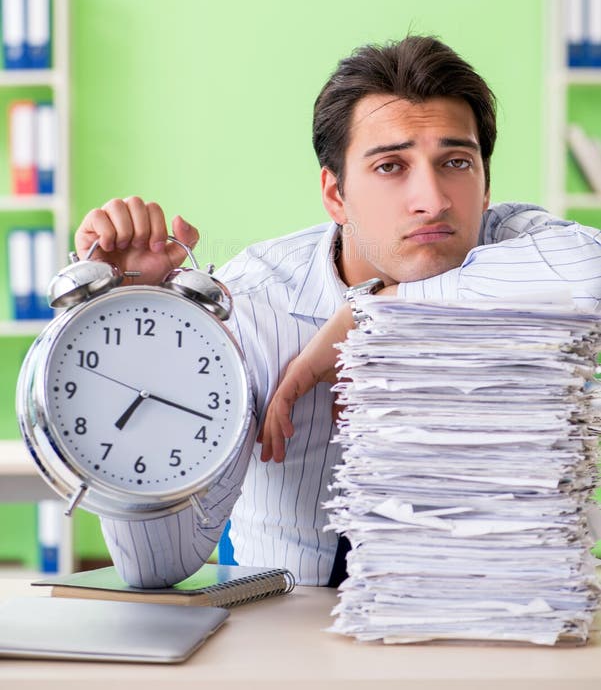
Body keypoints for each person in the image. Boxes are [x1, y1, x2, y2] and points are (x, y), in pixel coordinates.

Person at [75, 35, 601, 588]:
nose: (433, 198)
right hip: (292, 628)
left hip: (491, 620)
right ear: (335, 195)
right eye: (391, 166)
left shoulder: (520, 247)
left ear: (486, 185)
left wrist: (374, 314)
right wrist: (134, 330)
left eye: (455, 162)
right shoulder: (252, 302)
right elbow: (157, 564)